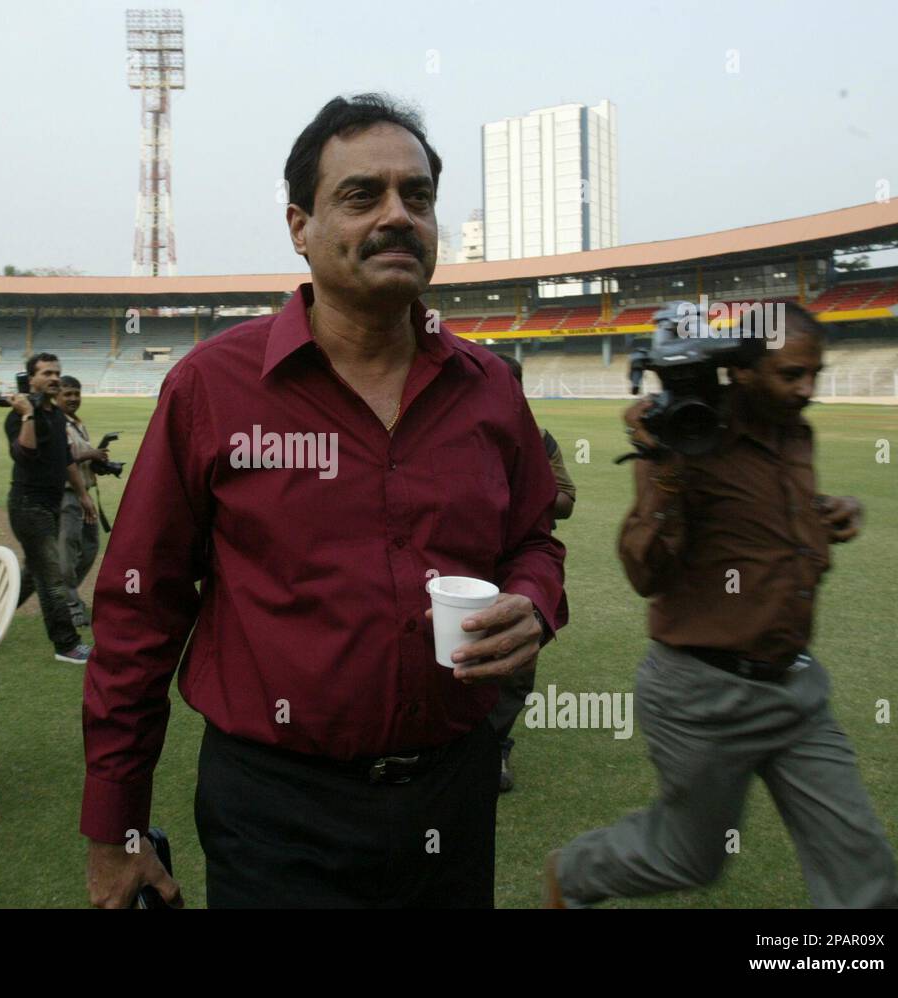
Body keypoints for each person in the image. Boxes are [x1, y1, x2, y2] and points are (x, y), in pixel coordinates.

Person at [81, 94, 567, 909]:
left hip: (452, 794)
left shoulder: (488, 389)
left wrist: (533, 601)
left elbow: (535, 539)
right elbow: (140, 609)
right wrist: (115, 830)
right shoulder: (211, 389)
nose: (397, 215)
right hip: (275, 812)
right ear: (299, 226)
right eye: (361, 195)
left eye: (418, 196)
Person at [545, 302, 898, 909]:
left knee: (861, 870)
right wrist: (666, 471)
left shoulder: (794, 431)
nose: (807, 389)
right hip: (704, 695)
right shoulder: (689, 438)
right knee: (688, 857)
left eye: (815, 373)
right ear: (741, 371)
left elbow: (771, 516)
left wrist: (838, 510)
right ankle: (575, 874)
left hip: (796, 687)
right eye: (792, 375)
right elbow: (645, 571)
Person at [489, 353, 576, 791]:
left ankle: (496, 750)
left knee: (516, 662)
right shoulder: (463, 432)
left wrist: (529, 483)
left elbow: (566, 500)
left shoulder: (540, 440)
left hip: (522, 565)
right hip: (468, 562)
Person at [5, 353, 95, 665]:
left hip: (52, 504)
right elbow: (25, 455)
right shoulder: (17, 417)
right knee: (51, 577)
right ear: (31, 380)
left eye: (57, 372)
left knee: (33, 574)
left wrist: (83, 495)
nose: (54, 378)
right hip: (28, 507)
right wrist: (28, 414)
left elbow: (67, 460)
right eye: (46, 373)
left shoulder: (57, 417)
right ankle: (67, 644)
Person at [56, 375, 106, 628]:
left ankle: (65, 595)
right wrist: (91, 453)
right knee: (67, 553)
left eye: (77, 393)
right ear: (57, 396)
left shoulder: (77, 423)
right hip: (67, 496)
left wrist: (99, 462)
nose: (73, 398)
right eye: (68, 394)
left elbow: (79, 458)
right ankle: (70, 607)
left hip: (84, 494)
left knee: (89, 548)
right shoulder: (55, 423)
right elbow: (62, 458)